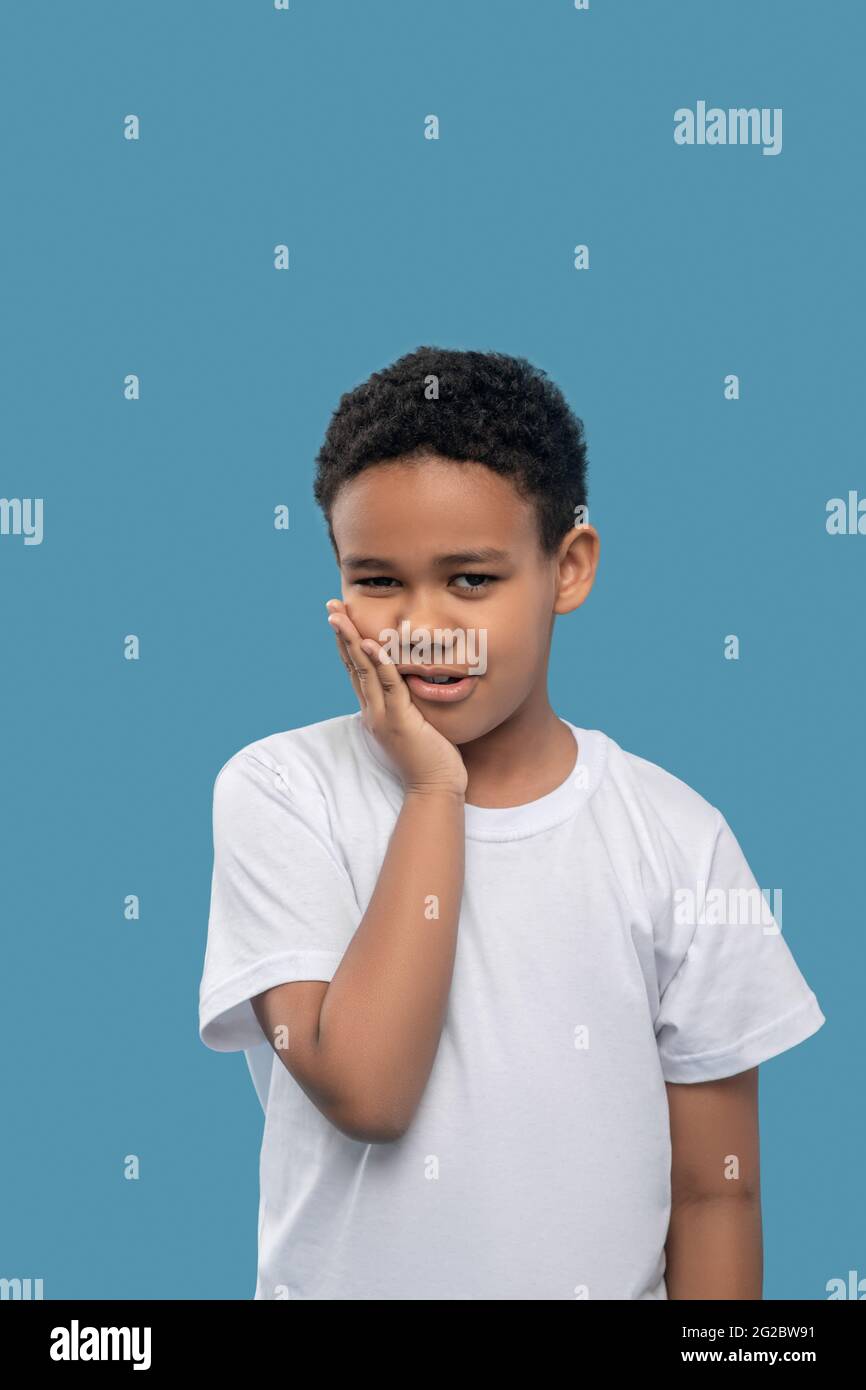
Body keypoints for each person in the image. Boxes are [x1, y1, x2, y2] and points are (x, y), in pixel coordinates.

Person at [198, 346, 825, 1300]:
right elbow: (367, 1089)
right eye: (378, 581)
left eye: (473, 581)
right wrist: (432, 794)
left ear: (567, 568)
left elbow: (715, 1196)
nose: (424, 626)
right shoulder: (283, 790)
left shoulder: (675, 837)